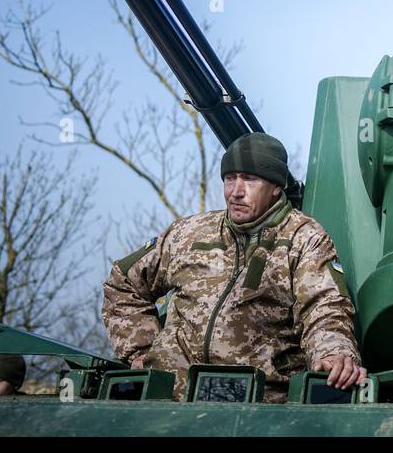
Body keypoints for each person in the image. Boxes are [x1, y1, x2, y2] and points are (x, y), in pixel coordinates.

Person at [103, 132, 366, 402]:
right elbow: (123, 282)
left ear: (276, 186)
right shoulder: (190, 233)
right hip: (171, 400)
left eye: (249, 179)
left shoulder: (303, 237)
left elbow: (323, 306)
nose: (236, 192)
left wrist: (332, 353)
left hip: (255, 405)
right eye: (230, 178)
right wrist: (141, 349)